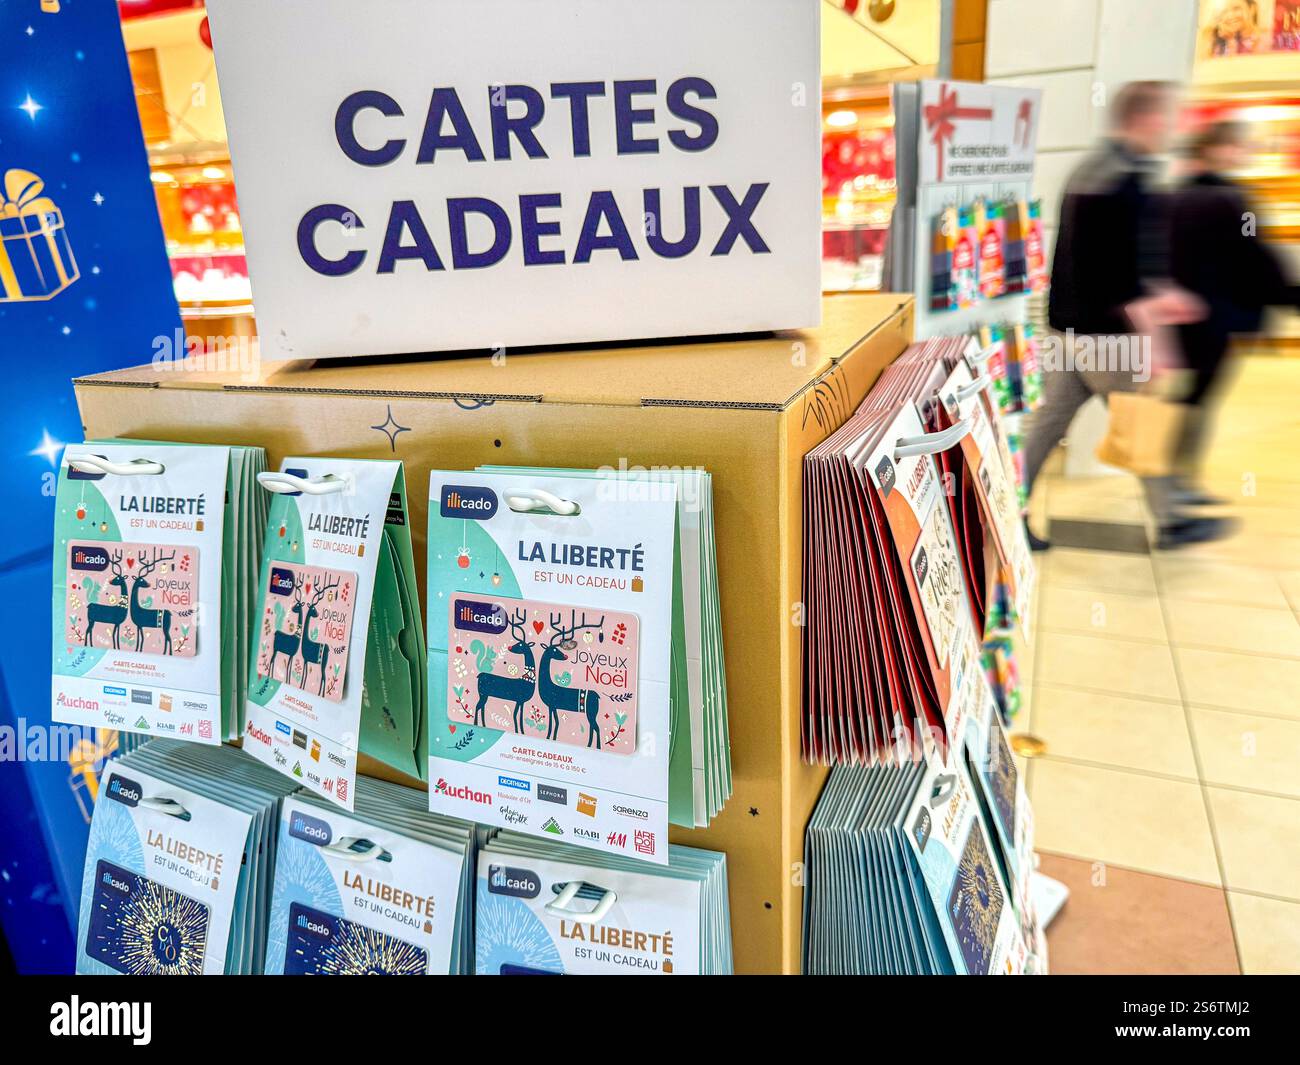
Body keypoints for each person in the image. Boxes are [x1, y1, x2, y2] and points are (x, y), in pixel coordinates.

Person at [1023, 81, 1226, 552]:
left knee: (1048, 426)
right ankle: (1174, 521)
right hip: (1109, 340)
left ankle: (1012, 510)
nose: (1173, 129)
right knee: (1144, 426)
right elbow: (1131, 283)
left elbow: (1083, 259)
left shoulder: (1087, 171)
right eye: (1169, 118)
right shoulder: (1132, 182)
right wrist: (1159, 349)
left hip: (1063, 329)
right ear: (1148, 119)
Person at [1168, 120, 1300, 502]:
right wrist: (1288, 296)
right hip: (1217, 318)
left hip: (1180, 317)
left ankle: (1173, 479)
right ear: (1219, 149)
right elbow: (1255, 255)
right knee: (1197, 397)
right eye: (1238, 147)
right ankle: (1175, 481)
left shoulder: (1175, 197)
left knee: (1186, 395)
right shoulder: (1234, 200)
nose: (1242, 154)